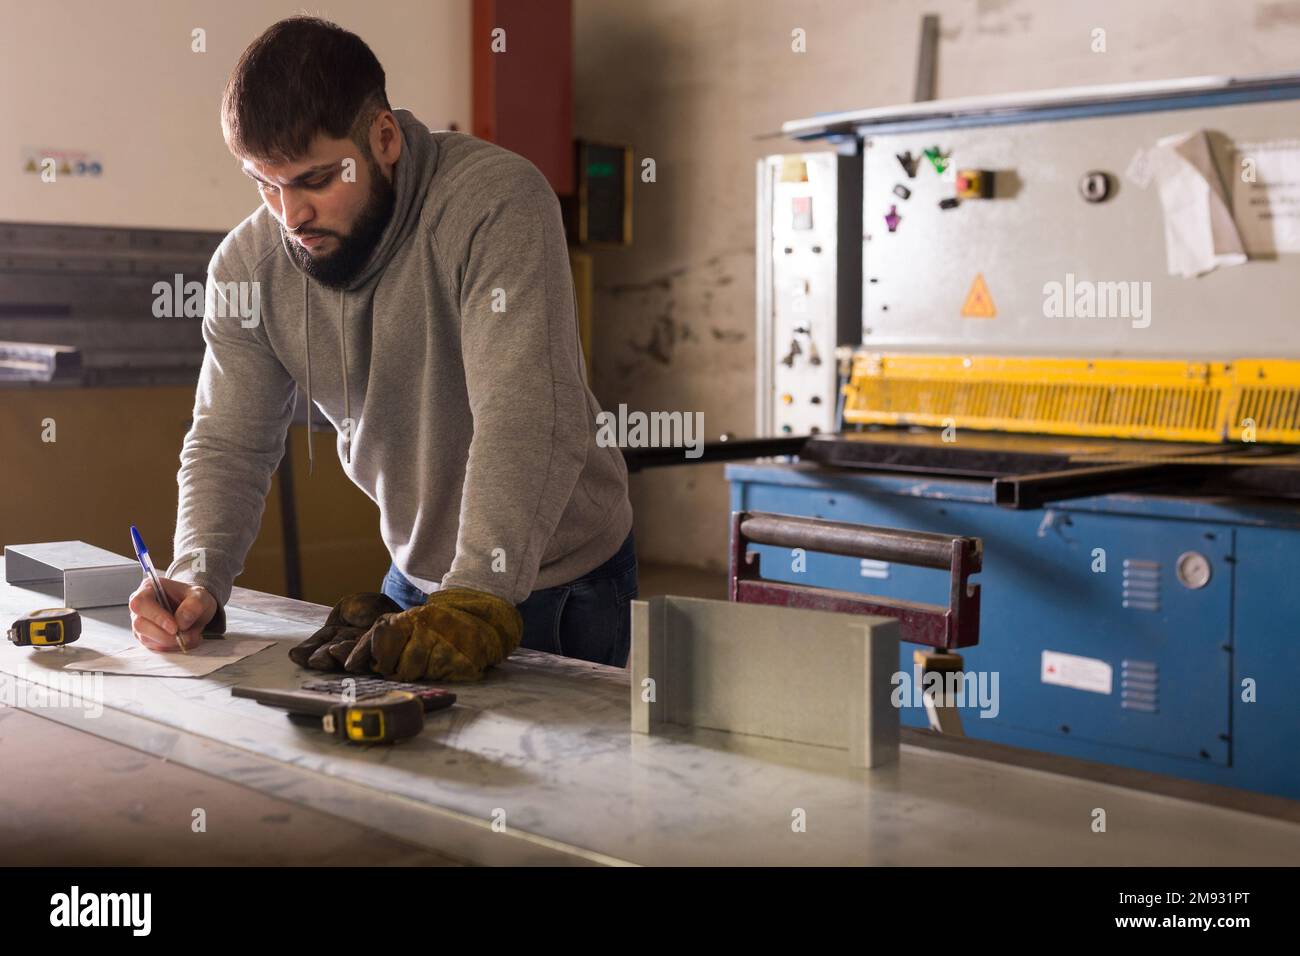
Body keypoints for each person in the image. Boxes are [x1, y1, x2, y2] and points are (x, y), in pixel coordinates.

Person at [128, 15, 636, 679]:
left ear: (384, 138)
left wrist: (478, 597)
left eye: (314, 180)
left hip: (560, 578)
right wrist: (196, 572)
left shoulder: (492, 202)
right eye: (264, 183)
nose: (291, 216)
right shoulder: (249, 266)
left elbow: (527, 412)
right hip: (418, 575)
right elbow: (229, 440)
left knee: (554, 782)